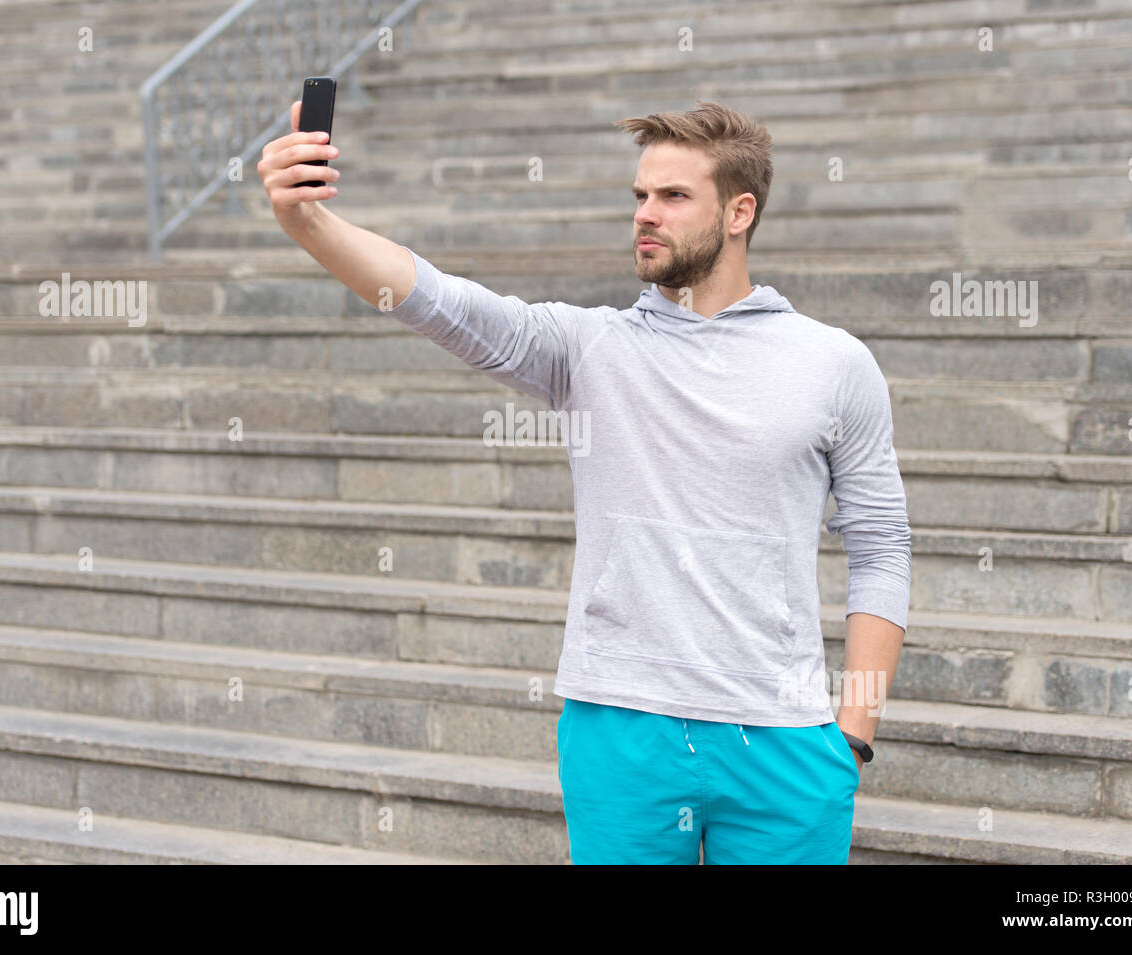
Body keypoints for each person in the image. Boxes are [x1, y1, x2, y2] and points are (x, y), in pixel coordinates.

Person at [257, 99, 911, 865]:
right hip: (620, 732)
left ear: (740, 211)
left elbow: (881, 547)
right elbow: (435, 298)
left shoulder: (834, 363)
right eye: (640, 195)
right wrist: (309, 224)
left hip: (785, 741)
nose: (646, 215)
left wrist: (853, 736)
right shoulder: (588, 346)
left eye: (673, 197)